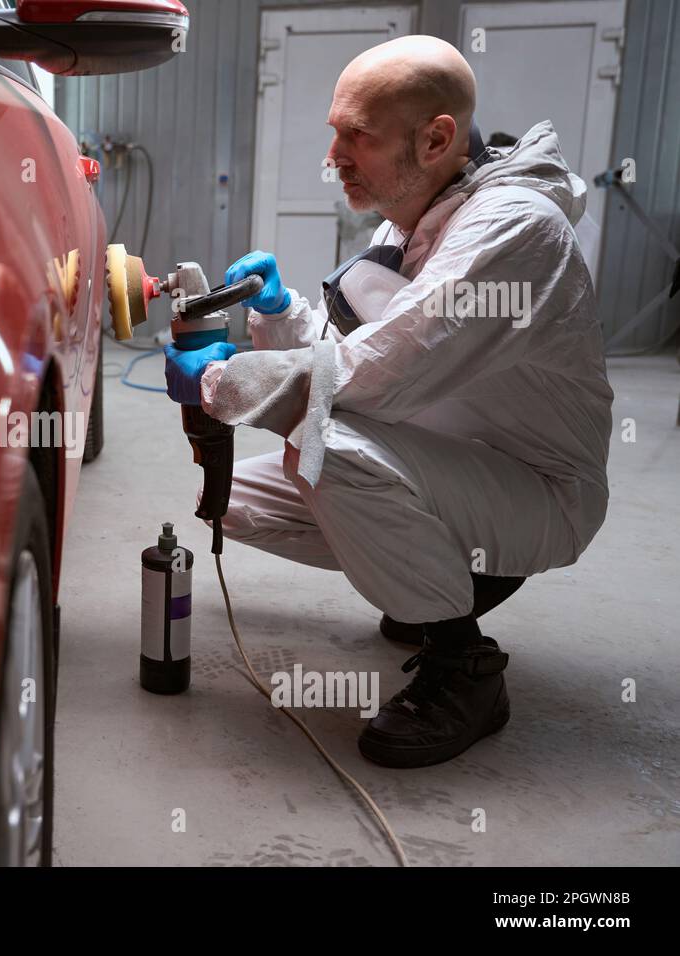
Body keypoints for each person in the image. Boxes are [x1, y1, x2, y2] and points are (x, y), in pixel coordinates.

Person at [163, 35, 613, 768]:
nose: (334, 154)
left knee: (326, 450)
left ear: (436, 138)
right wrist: (278, 313)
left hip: (539, 491)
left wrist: (223, 381)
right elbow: (354, 345)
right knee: (230, 498)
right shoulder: (412, 219)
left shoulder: (515, 230)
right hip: (459, 462)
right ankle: (445, 579)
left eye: (357, 136)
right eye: (335, 132)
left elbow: (379, 371)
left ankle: (462, 664)